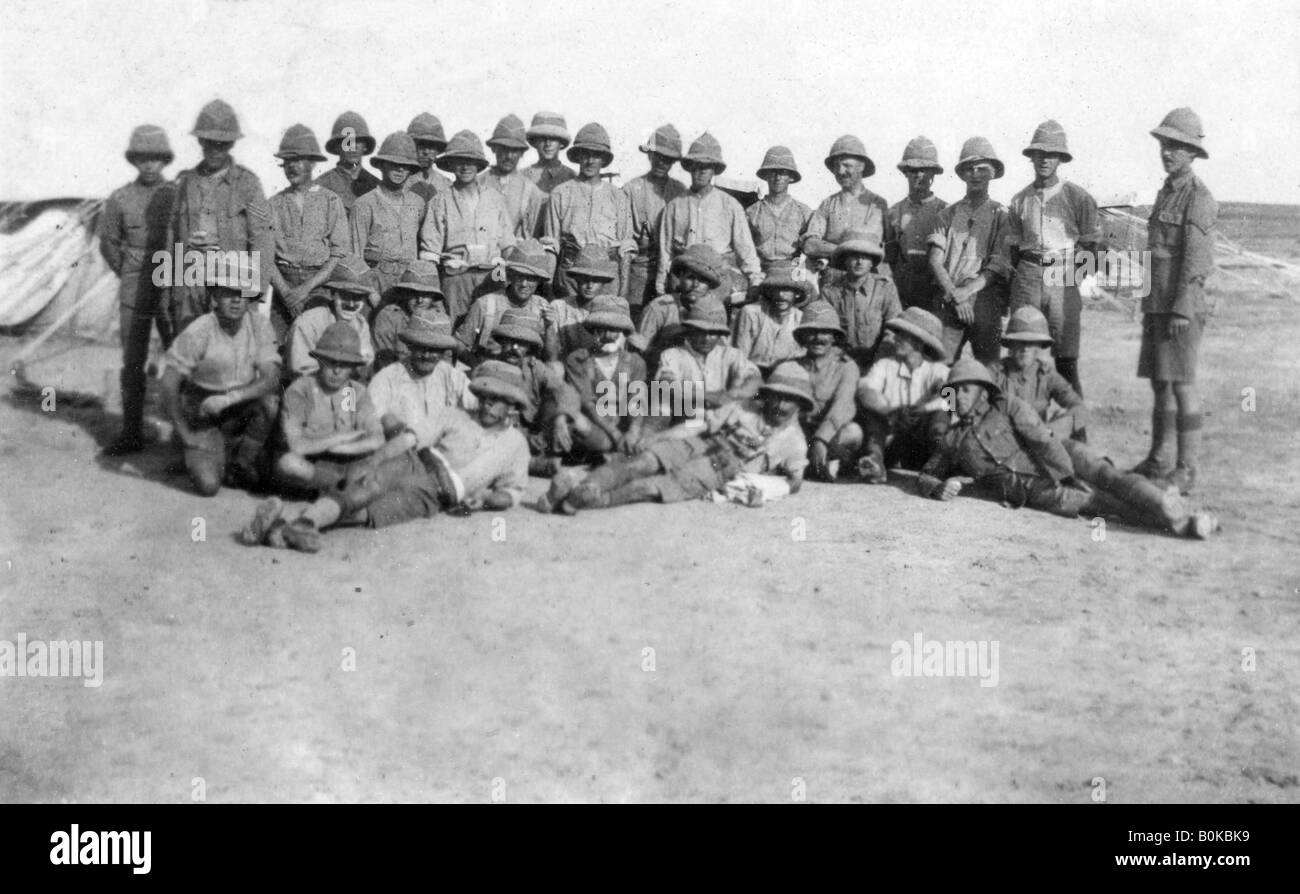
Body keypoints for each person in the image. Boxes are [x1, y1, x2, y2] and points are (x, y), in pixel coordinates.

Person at [242, 361, 532, 551]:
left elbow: (512, 491)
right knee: (366, 488)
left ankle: (282, 528)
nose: (488, 406)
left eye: (497, 402)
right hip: (415, 463)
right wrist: (373, 461)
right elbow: (409, 438)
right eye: (485, 398)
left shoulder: (516, 445)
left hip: (435, 495)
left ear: (511, 407)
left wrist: (485, 500)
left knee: (372, 514)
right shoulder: (455, 416)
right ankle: (305, 525)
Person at [916, 360, 1216, 539]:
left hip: (1063, 455)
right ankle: (1185, 523)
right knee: (1105, 504)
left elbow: (1043, 438)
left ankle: (1172, 507)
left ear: (983, 390)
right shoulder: (955, 439)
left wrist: (1067, 474)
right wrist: (937, 487)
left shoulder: (1005, 404)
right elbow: (926, 473)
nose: (961, 397)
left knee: (1112, 479)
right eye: (955, 392)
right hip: (1035, 490)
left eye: (967, 390)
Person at [540, 360, 810, 513]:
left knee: (649, 487)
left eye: (790, 400)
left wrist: (765, 488)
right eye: (777, 396)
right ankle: (587, 487)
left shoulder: (794, 441)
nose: (780, 405)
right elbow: (701, 426)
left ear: (801, 404)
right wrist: (660, 438)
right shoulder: (744, 407)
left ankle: (579, 500)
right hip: (701, 443)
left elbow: (794, 481)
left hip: (721, 465)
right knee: (643, 462)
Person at [1130, 108, 1217, 494]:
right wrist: (1148, 302)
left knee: (1182, 385)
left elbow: (1195, 261)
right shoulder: (1167, 191)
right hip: (1158, 305)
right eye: (1165, 145)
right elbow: (1157, 254)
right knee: (1160, 385)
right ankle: (1159, 459)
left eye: (1177, 147)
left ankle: (1186, 469)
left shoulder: (1198, 198)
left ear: (1192, 153)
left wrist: (1181, 308)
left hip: (1181, 309)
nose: (1168, 153)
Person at [160, 273, 281, 495]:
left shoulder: (259, 325)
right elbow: (168, 384)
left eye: (242, 294)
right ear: (215, 296)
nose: (236, 300)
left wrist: (229, 399)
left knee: (270, 404)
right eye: (229, 293)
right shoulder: (200, 330)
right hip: (204, 410)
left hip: (238, 404)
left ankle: (240, 462)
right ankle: (199, 451)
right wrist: (186, 434)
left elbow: (270, 377)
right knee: (208, 486)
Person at [98, 123, 178, 455]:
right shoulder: (120, 198)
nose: (149, 165)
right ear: (134, 161)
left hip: (170, 284)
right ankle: (131, 432)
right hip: (134, 288)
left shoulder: (175, 195)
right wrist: (129, 272)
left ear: (164, 160)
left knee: (178, 357)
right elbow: (108, 243)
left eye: (155, 158)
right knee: (133, 361)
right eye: (143, 158)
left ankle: (182, 436)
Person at [1007, 119, 1102, 396]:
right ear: (1032, 156)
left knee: (1065, 359)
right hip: (1028, 274)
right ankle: (1021, 428)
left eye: (1051, 154)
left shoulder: (1078, 197)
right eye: (1039, 153)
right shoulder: (1019, 200)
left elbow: (1093, 245)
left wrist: (1076, 279)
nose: (1044, 160)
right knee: (1022, 355)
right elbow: (1013, 249)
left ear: (1061, 158)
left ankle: (1075, 431)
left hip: (1063, 275)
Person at [166, 99, 274, 333]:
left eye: (222, 144)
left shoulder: (248, 184)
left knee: (231, 353)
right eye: (209, 143)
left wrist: (254, 292)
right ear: (200, 141)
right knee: (189, 348)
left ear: (231, 144)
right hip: (190, 280)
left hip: (231, 283)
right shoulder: (186, 182)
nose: (215, 150)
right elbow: (172, 234)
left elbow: (261, 240)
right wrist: (171, 287)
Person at [266, 322, 385, 498]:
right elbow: (297, 445)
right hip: (311, 465)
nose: (337, 371)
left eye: (344, 365)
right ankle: (342, 490)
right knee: (288, 463)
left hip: (346, 462)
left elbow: (376, 438)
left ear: (352, 367)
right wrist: (339, 438)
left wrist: (340, 449)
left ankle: (336, 491)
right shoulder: (302, 390)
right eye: (331, 363)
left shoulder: (352, 392)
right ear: (319, 361)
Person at [927, 136, 1013, 364]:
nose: (975, 174)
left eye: (982, 169)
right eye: (969, 168)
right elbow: (935, 260)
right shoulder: (947, 214)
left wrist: (968, 292)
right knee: (941, 367)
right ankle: (948, 401)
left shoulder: (1002, 216)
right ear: (963, 174)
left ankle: (983, 401)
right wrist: (955, 294)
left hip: (984, 300)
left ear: (993, 172)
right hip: (949, 298)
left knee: (986, 367)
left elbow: (998, 264)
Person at [418, 130, 516, 324]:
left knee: (490, 326)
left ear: (479, 165)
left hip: (491, 275)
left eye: (470, 161)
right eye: (459, 161)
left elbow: (508, 245)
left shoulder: (494, 198)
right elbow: (430, 252)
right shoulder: (440, 200)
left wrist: (504, 279)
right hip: (455, 277)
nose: (465, 167)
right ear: (451, 164)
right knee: (453, 327)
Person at [655, 132, 762, 308]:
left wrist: (755, 281)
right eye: (695, 166)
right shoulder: (675, 206)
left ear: (714, 169)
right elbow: (666, 250)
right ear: (689, 168)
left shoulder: (729, 205)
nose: (700, 172)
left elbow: (745, 248)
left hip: (718, 279)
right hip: (686, 280)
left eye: (706, 167)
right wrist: (661, 284)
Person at [266, 124, 349, 341]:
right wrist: (286, 293)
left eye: (299, 160)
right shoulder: (272, 205)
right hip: (283, 284)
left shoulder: (330, 201)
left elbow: (338, 254)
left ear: (312, 163)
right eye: (287, 162)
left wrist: (306, 289)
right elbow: (265, 255)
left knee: (318, 345)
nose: (292, 167)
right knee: (277, 349)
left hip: (318, 286)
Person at [855, 306, 951, 483]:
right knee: (871, 414)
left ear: (920, 343)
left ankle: (938, 465)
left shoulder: (937, 371)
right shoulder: (885, 366)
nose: (896, 339)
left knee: (941, 415)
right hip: (891, 439)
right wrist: (888, 410)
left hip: (923, 444)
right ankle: (875, 461)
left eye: (903, 336)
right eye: (897, 334)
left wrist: (925, 408)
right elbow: (865, 389)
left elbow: (950, 398)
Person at [548, 296, 648, 467]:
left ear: (623, 334)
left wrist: (633, 431)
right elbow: (588, 402)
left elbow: (636, 402)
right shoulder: (578, 359)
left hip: (622, 420)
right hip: (594, 420)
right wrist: (616, 434)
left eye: (614, 330)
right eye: (601, 330)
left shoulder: (635, 361)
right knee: (603, 443)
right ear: (593, 331)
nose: (608, 336)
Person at [544, 122, 634, 298]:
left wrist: (623, 291)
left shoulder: (618, 196)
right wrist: (548, 288)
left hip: (606, 276)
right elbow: (551, 245)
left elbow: (625, 248)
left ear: (604, 160)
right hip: (571, 273)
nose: (590, 161)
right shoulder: (561, 193)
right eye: (585, 154)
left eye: (596, 155)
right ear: (577, 156)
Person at [654, 297, 761, 429]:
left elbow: (754, 378)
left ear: (720, 334)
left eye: (713, 333)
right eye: (701, 332)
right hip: (684, 423)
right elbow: (666, 384)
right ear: (691, 330)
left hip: (719, 423)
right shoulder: (673, 355)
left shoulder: (731, 355)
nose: (706, 339)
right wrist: (708, 396)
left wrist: (734, 393)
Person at [801, 134, 892, 286]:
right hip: (834, 283)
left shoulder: (878, 205)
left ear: (861, 166)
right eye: (836, 166)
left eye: (846, 165)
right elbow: (810, 244)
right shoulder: (827, 205)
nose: (841, 171)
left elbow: (891, 248)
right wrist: (844, 252)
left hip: (870, 284)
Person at [368, 315, 478, 440]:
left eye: (434, 350)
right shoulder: (388, 378)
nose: (426, 355)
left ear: (443, 352)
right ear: (410, 346)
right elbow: (372, 421)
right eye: (420, 348)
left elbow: (477, 407)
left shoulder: (453, 377)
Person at [991, 306, 1085, 441]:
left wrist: (1053, 429)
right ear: (1010, 344)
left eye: (1031, 342)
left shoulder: (1046, 375)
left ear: (1040, 345)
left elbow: (1079, 408)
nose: (1025, 348)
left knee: (1090, 459)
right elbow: (957, 390)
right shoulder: (995, 372)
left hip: (1038, 444)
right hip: (1001, 445)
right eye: (1020, 342)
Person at [793, 301, 862, 481]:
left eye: (824, 332)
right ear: (802, 337)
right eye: (811, 332)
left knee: (853, 432)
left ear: (833, 337)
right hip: (798, 433)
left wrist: (820, 439)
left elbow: (842, 407)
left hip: (828, 434)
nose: (818, 338)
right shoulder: (792, 365)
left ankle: (826, 461)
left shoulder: (846, 367)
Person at [351, 132, 426, 298]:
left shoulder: (418, 203)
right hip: (375, 280)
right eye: (394, 163)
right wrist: (370, 292)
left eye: (405, 165)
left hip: (409, 282)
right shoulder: (365, 204)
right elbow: (356, 257)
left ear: (411, 170)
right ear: (382, 165)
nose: (400, 169)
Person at [623, 125, 687, 316]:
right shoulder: (632, 189)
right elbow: (625, 236)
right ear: (649, 155)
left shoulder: (680, 191)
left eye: (668, 159)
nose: (662, 162)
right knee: (635, 316)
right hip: (640, 266)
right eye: (658, 156)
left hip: (671, 269)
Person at [455, 241, 552, 363]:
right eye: (520, 276)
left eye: (531, 278)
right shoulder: (485, 304)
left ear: (539, 280)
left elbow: (550, 356)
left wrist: (550, 327)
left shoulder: (542, 308)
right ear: (510, 275)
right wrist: (477, 366)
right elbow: (460, 343)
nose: (524, 284)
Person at [818, 229, 902, 370]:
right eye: (854, 256)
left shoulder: (885, 288)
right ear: (845, 260)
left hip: (878, 361)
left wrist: (879, 361)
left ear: (872, 263)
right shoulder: (830, 292)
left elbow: (894, 328)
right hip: (840, 362)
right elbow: (826, 332)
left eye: (865, 257)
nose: (859, 262)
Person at [638, 244, 724, 374]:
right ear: (681, 277)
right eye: (690, 278)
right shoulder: (659, 308)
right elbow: (640, 351)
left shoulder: (716, 309)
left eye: (702, 280)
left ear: (710, 285)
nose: (695, 285)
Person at [285, 257, 377, 379]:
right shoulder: (308, 322)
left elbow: (365, 364)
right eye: (345, 296)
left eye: (357, 298)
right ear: (333, 294)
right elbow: (301, 368)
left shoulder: (360, 324)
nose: (350, 304)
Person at [886, 137, 947, 310]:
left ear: (933, 173)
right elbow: (889, 257)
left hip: (934, 290)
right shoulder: (894, 212)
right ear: (905, 172)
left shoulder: (946, 211)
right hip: (903, 289)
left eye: (925, 170)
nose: (919, 175)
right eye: (913, 170)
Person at [543, 244, 619, 365]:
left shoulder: (610, 312)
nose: (590, 285)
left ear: (603, 282)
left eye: (596, 280)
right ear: (576, 278)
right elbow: (552, 356)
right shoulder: (559, 307)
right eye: (585, 279)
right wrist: (549, 327)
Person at [370, 260, 449, 370]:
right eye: (414, 294)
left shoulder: (440, 320)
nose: (419, 300)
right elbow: (383, 362)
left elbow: (444, 365)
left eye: (426, 295)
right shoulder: (388, 317)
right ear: (405, 293)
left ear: (433, 296)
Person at [731, 265, 810, 375]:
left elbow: (802, 358)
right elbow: (741, 354)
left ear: (796, 294)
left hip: (786, 375)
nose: (781, 295)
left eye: (787, 290)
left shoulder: (801, 318)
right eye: (776, 290)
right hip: (753, 372)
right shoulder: (751, 313)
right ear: (769, 292)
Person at [747, 146, 812, 274]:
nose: (777, 177)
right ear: (765, 176)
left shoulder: (803, 212)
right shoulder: (752, 212)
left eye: (783, 172)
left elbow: (812, 244)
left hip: (792, 271)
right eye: (772, 172)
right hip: (761, 271)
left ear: (791, 177)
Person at [480, 114, 547, 239]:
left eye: (514, 150)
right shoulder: (478, 183)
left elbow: (533, 237)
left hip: (516, 255)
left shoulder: (531, 192)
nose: (509, 156)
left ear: (522, 153)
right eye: (504, 149)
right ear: (494, 149)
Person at [315, 111, 380, 217]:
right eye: (347, 141)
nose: (352, 147)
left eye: (357, 141)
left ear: (365, 146)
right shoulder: (321, 185)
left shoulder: (377, 186)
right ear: (337, 146)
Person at [523, 111, 577, 193]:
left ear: (561, 143)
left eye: (553, 138)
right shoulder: (523, 177)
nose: (548, 144)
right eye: (542, 138)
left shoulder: (572, 177)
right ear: (535, 142)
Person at [406, 112, 453, 203]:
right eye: (421, 145)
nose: (426, 152)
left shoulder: (447, 185)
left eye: (431, 146)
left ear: (438, 150)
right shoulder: (398, 182)